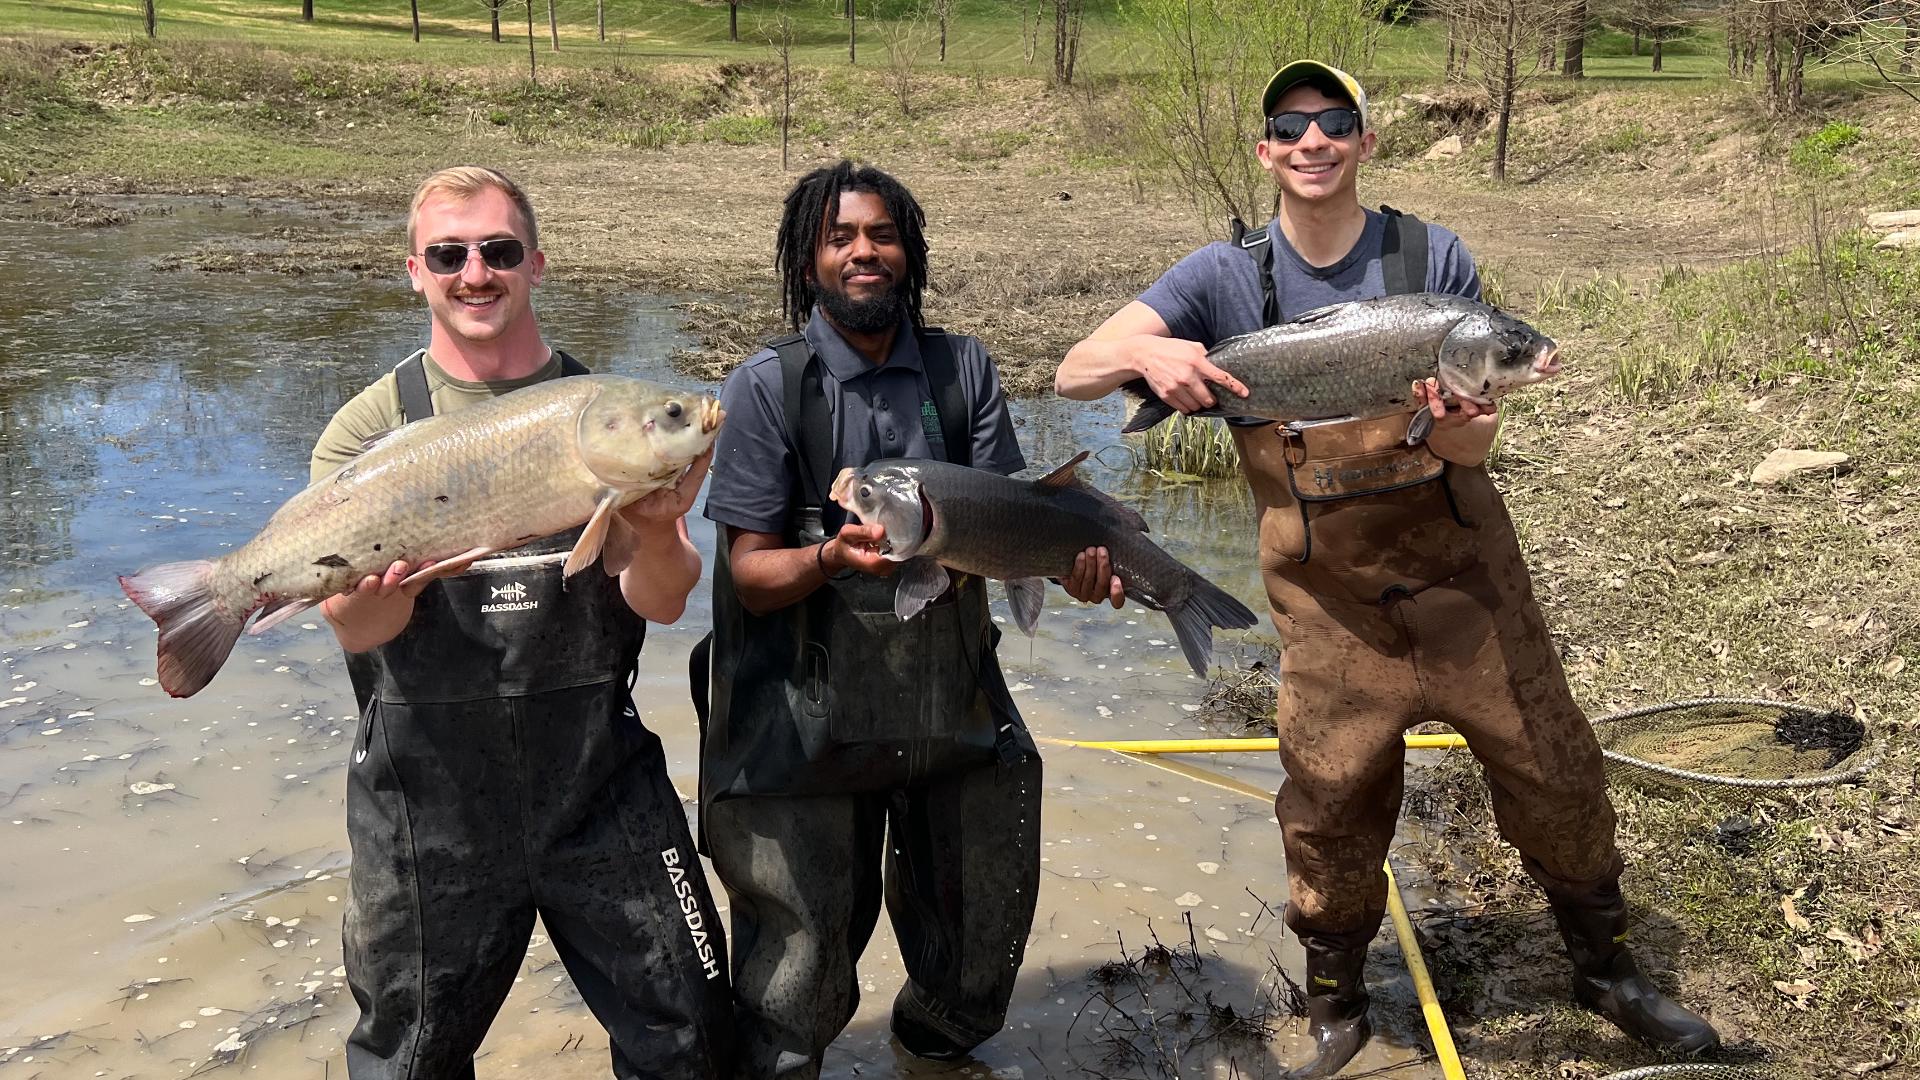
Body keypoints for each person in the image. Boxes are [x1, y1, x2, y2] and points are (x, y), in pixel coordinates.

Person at [1053, 62, 1719, 1078]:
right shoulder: (1222, 277)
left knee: (1554, 768)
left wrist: (1467, 424)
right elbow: (1073, 371)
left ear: (1366, 143)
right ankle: (1337, 1005)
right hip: (1327, 605)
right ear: (1267, 150)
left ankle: (1609, 972)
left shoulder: (1431, 257)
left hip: (1464, 580)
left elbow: (1468, 454)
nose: (1314, 140)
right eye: (1292, 125)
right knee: (1330, 797)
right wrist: (1153, 361)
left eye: (1336, 123)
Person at [694, 159, 1121, 1079]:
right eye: (839, 237)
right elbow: (750, 576)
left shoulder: (963, 369)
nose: (863, 252)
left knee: (977, 933)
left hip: (947, 699)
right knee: (794, 977)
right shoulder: (770, 385)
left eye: (882, 234)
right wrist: (827, 557)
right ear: (808, 261)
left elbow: (1012, 525)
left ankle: (932, 1052)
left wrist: (1067, 563)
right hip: (798, 722)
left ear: (909, 251)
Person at [309, 165, 733, 1080]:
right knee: (404, 1063)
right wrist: (391, 584)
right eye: (449, 254)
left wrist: (656, 530)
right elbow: (354, 630)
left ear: (536, 264)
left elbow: (662, 599)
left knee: (692, 1041)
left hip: (596, 781)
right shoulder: (365, 429)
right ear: (413, 271)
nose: (476, 272)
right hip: (429, 801)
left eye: (499, 251)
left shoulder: (606, 411)